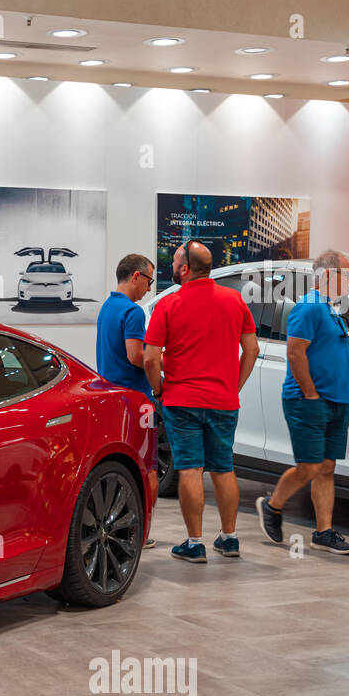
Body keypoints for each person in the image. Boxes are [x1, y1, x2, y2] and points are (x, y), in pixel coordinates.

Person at [143, 241, 259, 563]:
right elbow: (252, 350)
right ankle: (230, 538)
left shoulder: (169, 304)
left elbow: (150, 358)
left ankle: (195, 543)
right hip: (224, 401)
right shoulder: (234, 300)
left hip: (182, 400)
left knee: (190, 468)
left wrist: (158, 389)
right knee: (223, 468)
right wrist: (233, 387)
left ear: (184, 269)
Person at [256, 250, 349, 555]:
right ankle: (272, 506)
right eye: (346, 274)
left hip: (337, 401)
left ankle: (323, 532)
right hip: (308, 400)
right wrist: (311, 393)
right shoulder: (309, 307)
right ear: (327, 275)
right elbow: (295, 353)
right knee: (309, 467)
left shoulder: (331, 309)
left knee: (326, 468)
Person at [96, 254, 158, 549]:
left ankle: (120, 527)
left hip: (112, 400)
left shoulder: (107, 307)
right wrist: (158, 361)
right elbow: (136, 356)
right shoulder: (133, 312)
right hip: (137, 402)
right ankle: (141, 534)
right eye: (148, 280)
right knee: (148, 469)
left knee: (121, 469)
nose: (149, 288)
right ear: (135, 276)